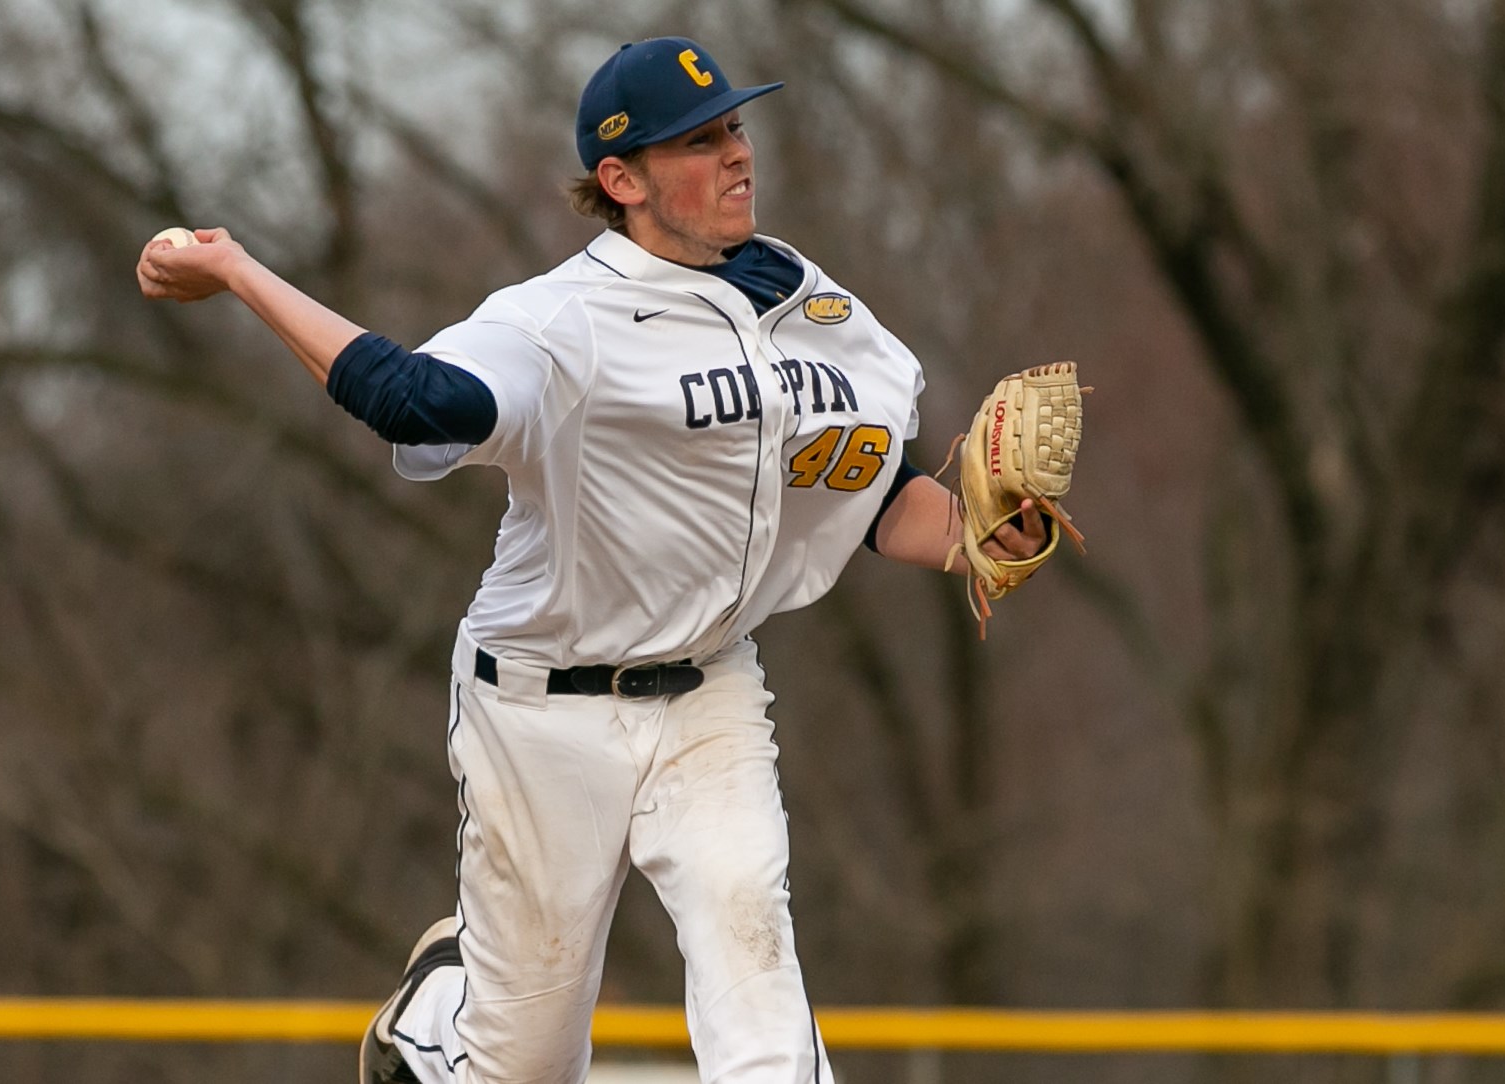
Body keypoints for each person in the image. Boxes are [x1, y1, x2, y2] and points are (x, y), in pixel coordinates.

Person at [137, 35, 1048, 1084]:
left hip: (707, 695)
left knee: (756, 986)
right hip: (540, 708)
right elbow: (414, 401)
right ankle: (435, 1015)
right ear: (621, 180)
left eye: (735, 127)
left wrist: (976, 532)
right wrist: (239, 271)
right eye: (699, 142)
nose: (736, 154)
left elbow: (868, 490)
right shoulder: (560, 324)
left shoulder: (803, 297)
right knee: (521, 1068)